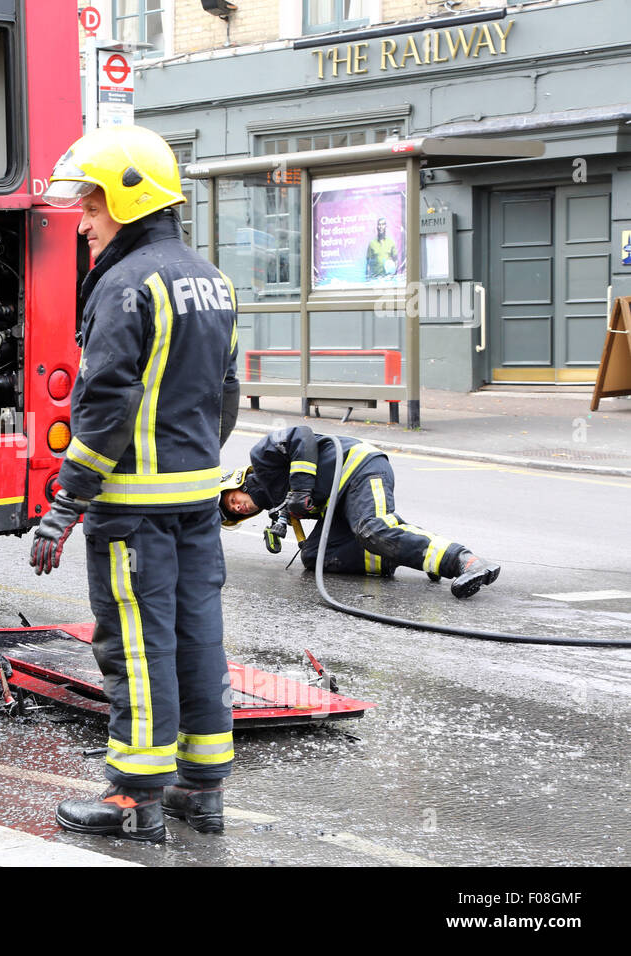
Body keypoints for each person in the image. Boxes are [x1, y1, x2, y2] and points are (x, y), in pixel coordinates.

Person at [30, 126, 241, 842]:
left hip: (135, 512)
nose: (82, 221)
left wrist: (64, 506)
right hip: (195, 499)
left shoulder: (126, 284)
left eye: (90, 205)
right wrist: (195, 465)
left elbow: (104, 406)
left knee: (137, 647)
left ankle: (135, 800)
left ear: (126, 196)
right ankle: (200, 789)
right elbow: (227, 394)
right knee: (196, 635)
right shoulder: (213, 280)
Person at [220, 425, 500, 598]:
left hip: (357, 467)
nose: (238, 507)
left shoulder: (262, 456)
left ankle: (466, 561)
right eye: (236, 513)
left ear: (236, 482)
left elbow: (301, 435)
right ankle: (404, 552)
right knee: (316, 556)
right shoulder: (279, 503)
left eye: (232, 500)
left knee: (372, 529)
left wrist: (302, 489)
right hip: (339, 503)